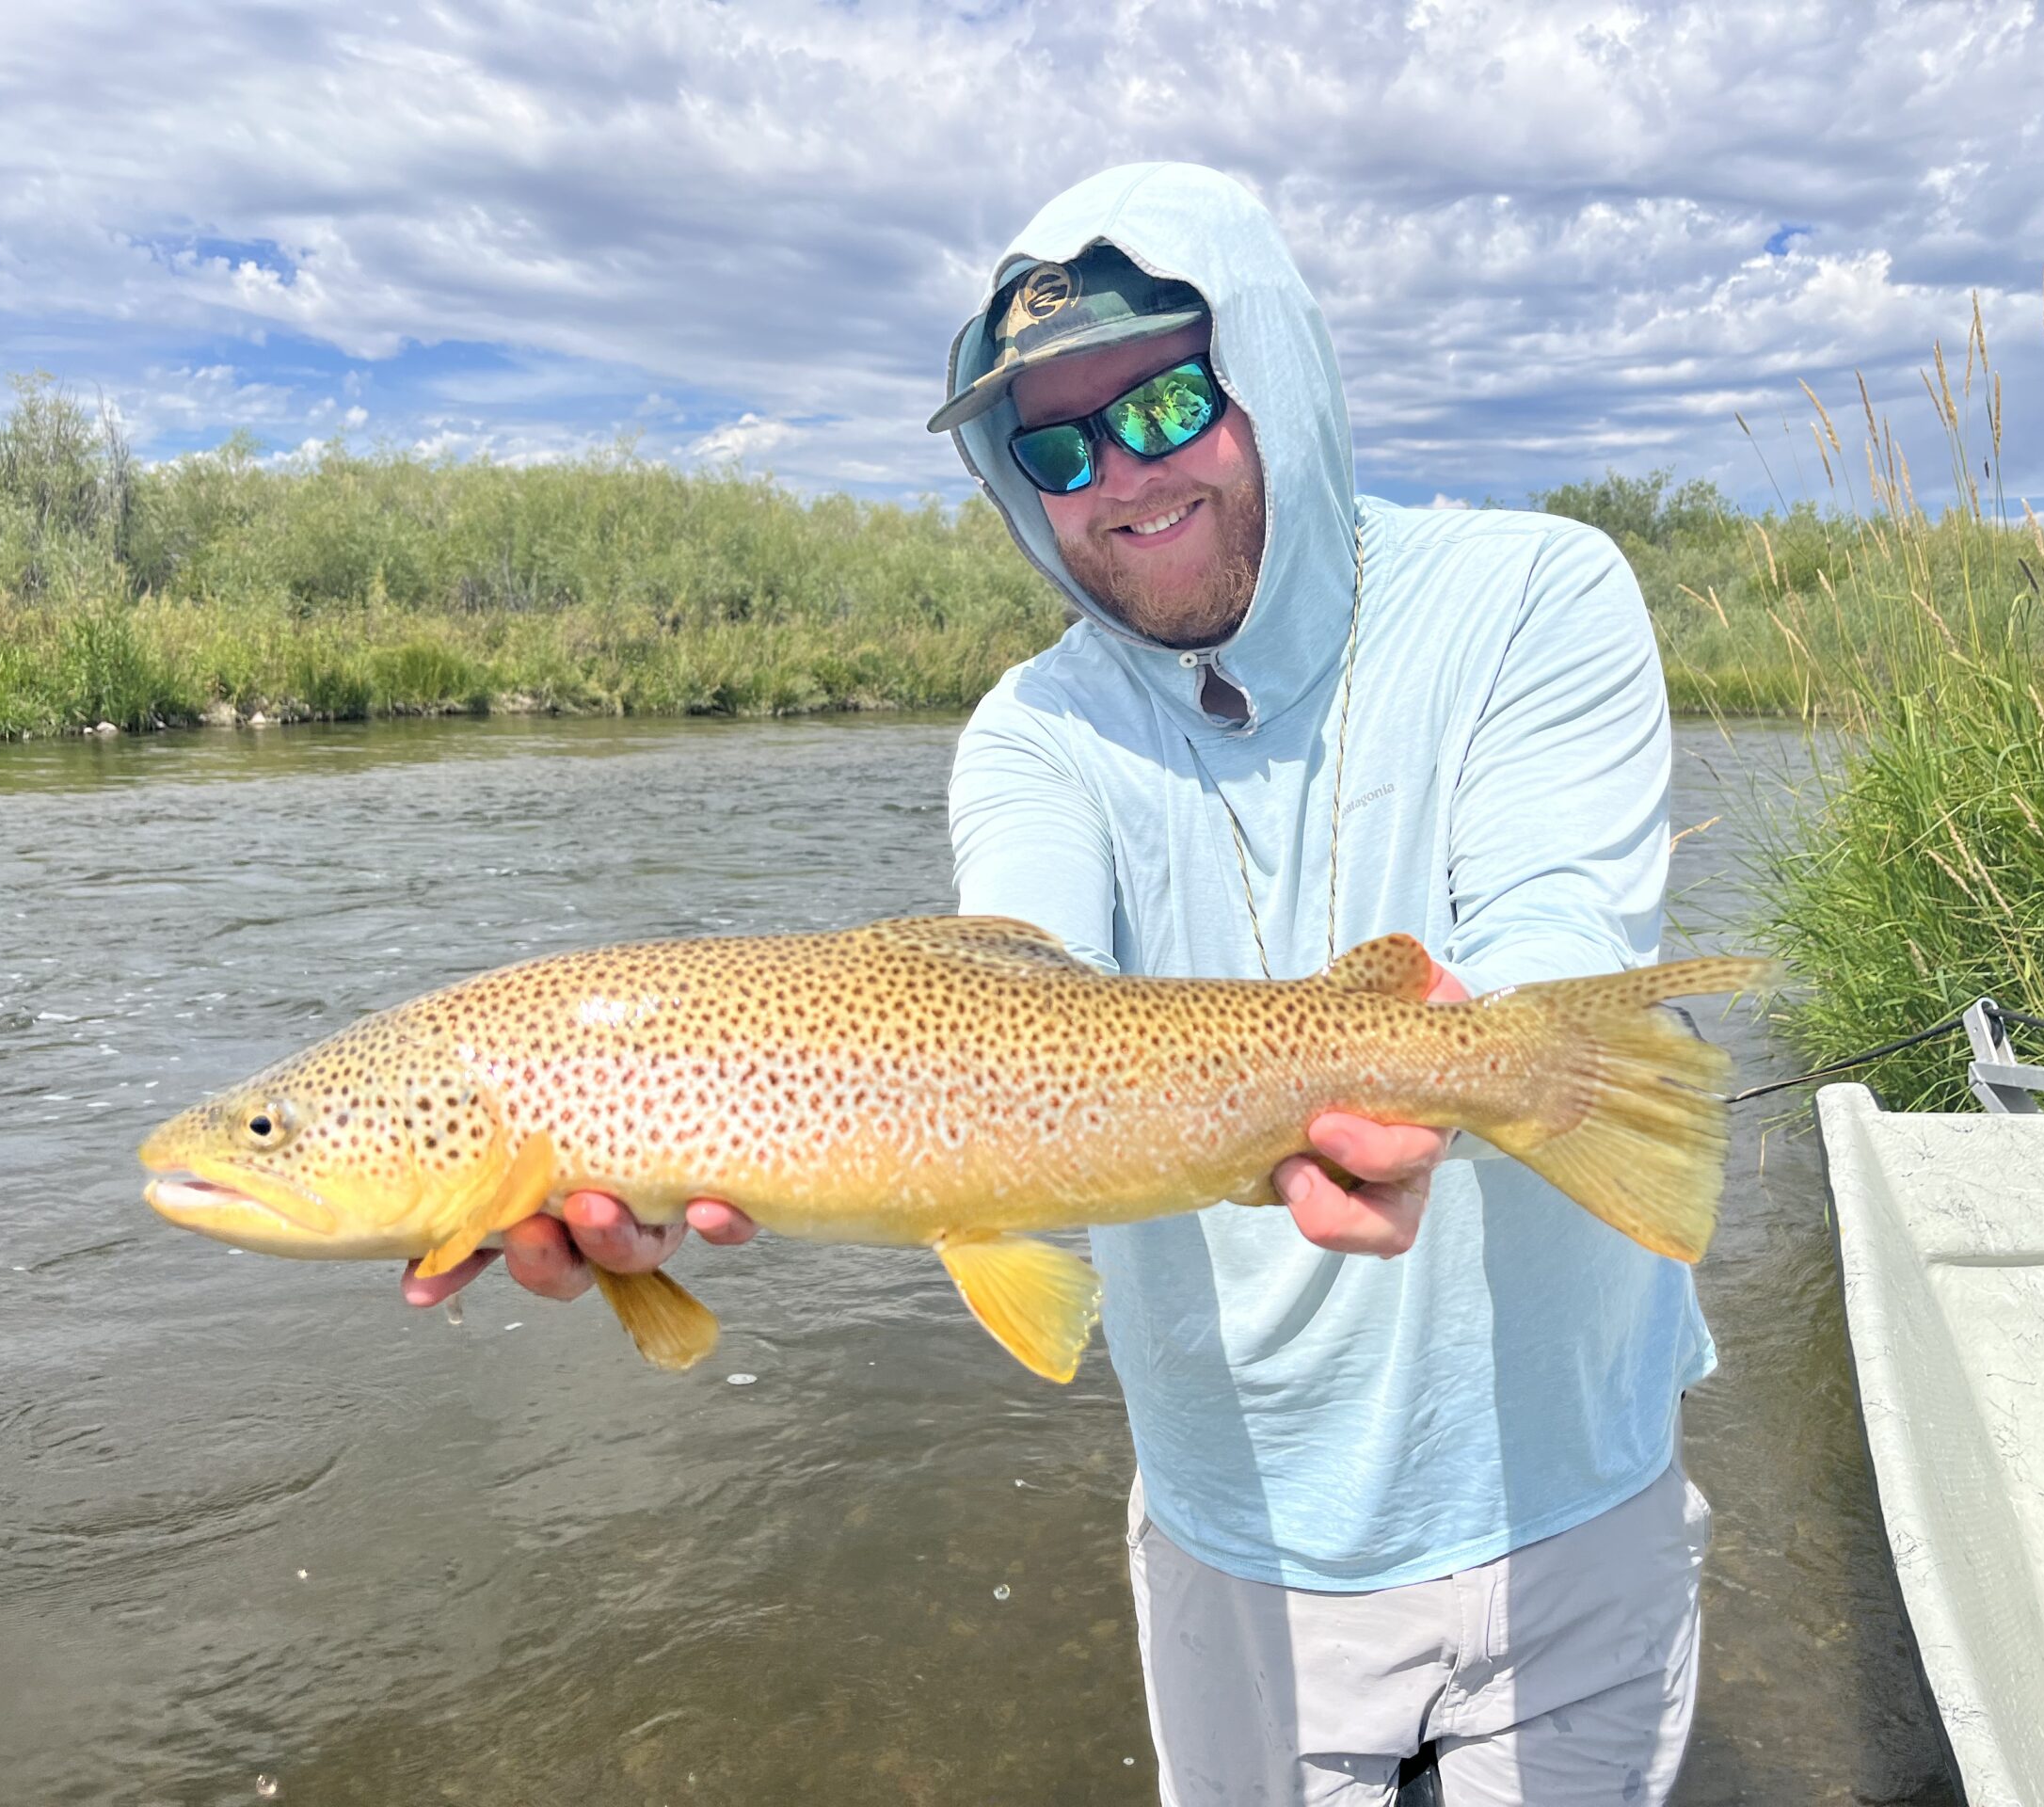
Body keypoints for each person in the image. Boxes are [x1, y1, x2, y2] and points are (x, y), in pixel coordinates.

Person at [407, 162, 1711, 1806]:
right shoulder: (1032, 735)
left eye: (1168, 400)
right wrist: (687, 1160)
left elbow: (1560, 931)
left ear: (1272, 373)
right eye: (1055, 447)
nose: (1121, 476)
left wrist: (1451, 1068)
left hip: (1576, 1488)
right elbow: (1017, 984)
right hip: (1242, 1535)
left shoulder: (1539, 591)